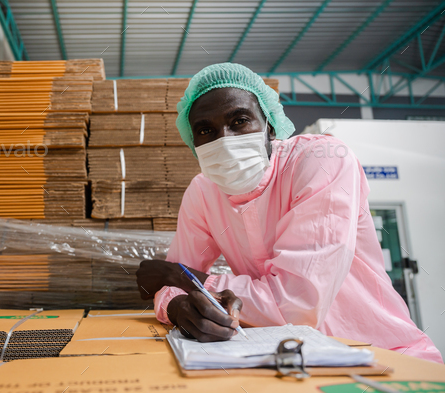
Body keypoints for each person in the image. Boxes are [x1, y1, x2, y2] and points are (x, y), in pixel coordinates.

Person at [135, 63, 443, 363]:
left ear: (268, 125)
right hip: (283, 361)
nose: (225, 141)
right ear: (194, 144)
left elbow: (296, 305)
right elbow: (171, 283)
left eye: (240, 121)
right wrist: (176, 304)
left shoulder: (320, 161)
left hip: (383, 358)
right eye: (206, 130)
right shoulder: (203, 192)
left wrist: (183, 278)